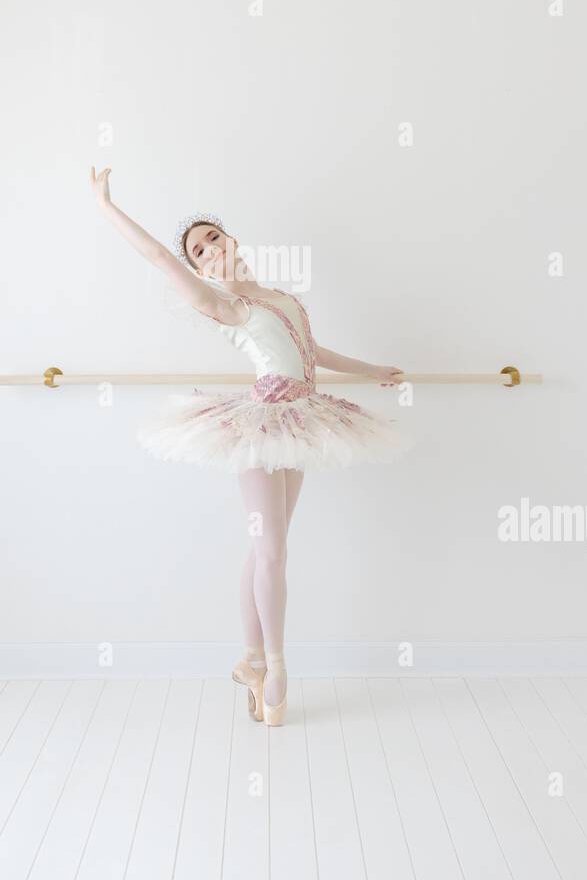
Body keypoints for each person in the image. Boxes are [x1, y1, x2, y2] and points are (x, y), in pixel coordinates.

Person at [89, 167, 411, 726]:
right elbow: (158, 260)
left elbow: (313, 351)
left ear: (232, 240)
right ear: (198, 269)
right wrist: (106, 207)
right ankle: (278, 666)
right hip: (262, 426)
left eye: (214, 236)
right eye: (198, 249)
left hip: (304, 419)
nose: (209, 248)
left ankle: (252, 658)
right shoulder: (225, 306)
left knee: (269, 547)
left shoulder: (280, 297)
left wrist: (373, 369)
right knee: (273, 552)